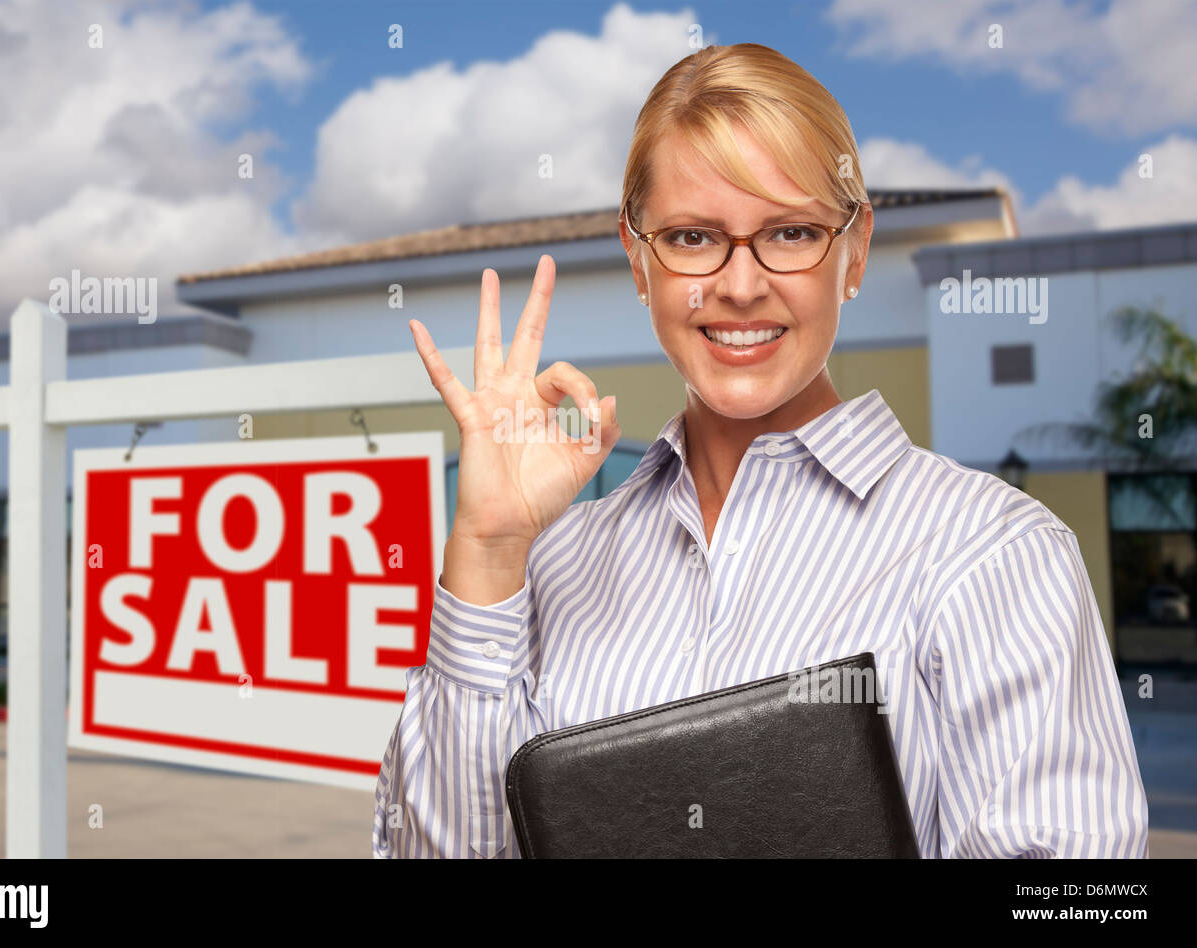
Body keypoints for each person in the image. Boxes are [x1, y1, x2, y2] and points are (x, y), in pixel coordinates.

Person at [371, 43, 1148, 858]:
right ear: (640, 260)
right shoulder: (554, 564)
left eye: (791, 231)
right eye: (694, 236)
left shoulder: (994, 554)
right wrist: (489, 554)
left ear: (854, 251)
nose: (740, 286)